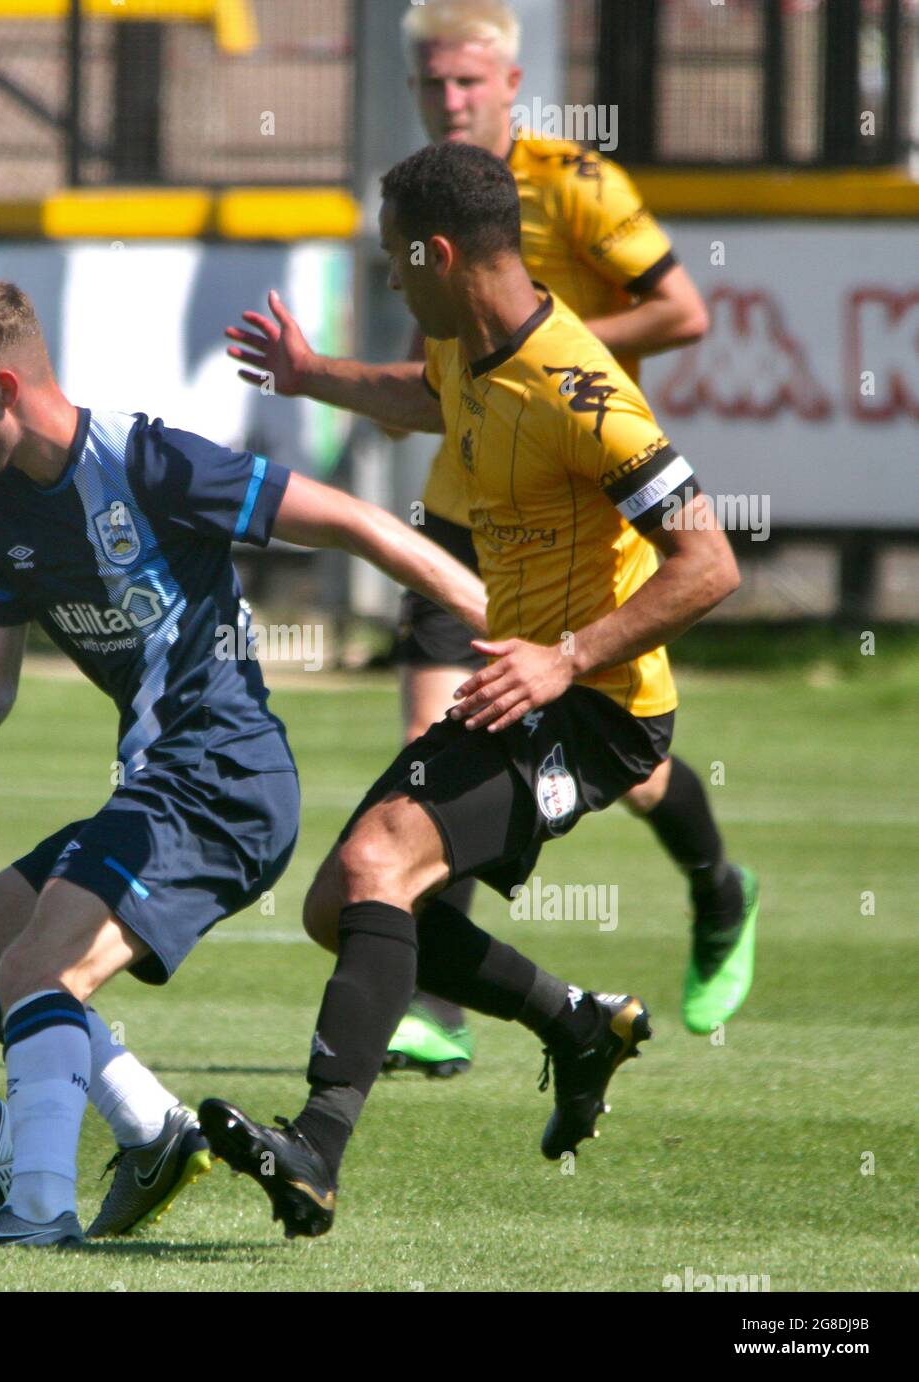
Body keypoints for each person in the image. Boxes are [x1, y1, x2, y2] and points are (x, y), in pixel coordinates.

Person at [198, 142, 741, 1238]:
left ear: (439, 253)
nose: (389, 281)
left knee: (372, 866)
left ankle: (316, 1148)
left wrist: (569, 654)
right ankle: (575, 1022)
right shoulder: (469, 346)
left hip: (593, 709)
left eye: (397, 261)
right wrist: (314, 377)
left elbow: (710, 562)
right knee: (338, 906)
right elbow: (423, 394)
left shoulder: (583, 391)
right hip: (524, 687)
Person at [0, 275, 488, 1247]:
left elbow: (359, 522)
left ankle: (37, 1211)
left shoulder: (149, 460)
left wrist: (500, 625)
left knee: (40, 966)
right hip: (162, 782)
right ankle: (152, 1128)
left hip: (221, 777)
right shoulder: (1, 508)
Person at [364, 0, 752, 1073]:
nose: (450, 100)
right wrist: (318, 378)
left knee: (623, 765)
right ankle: (436, 1006)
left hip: (571, 516)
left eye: (467, 82)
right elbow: (431, 375)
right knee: (434, 752)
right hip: (460, 514)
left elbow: (681, 313)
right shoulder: (424, 206)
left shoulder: (577, 185)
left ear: (509, 80)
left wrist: (546, 358)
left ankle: (718, 882)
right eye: (432, 85)